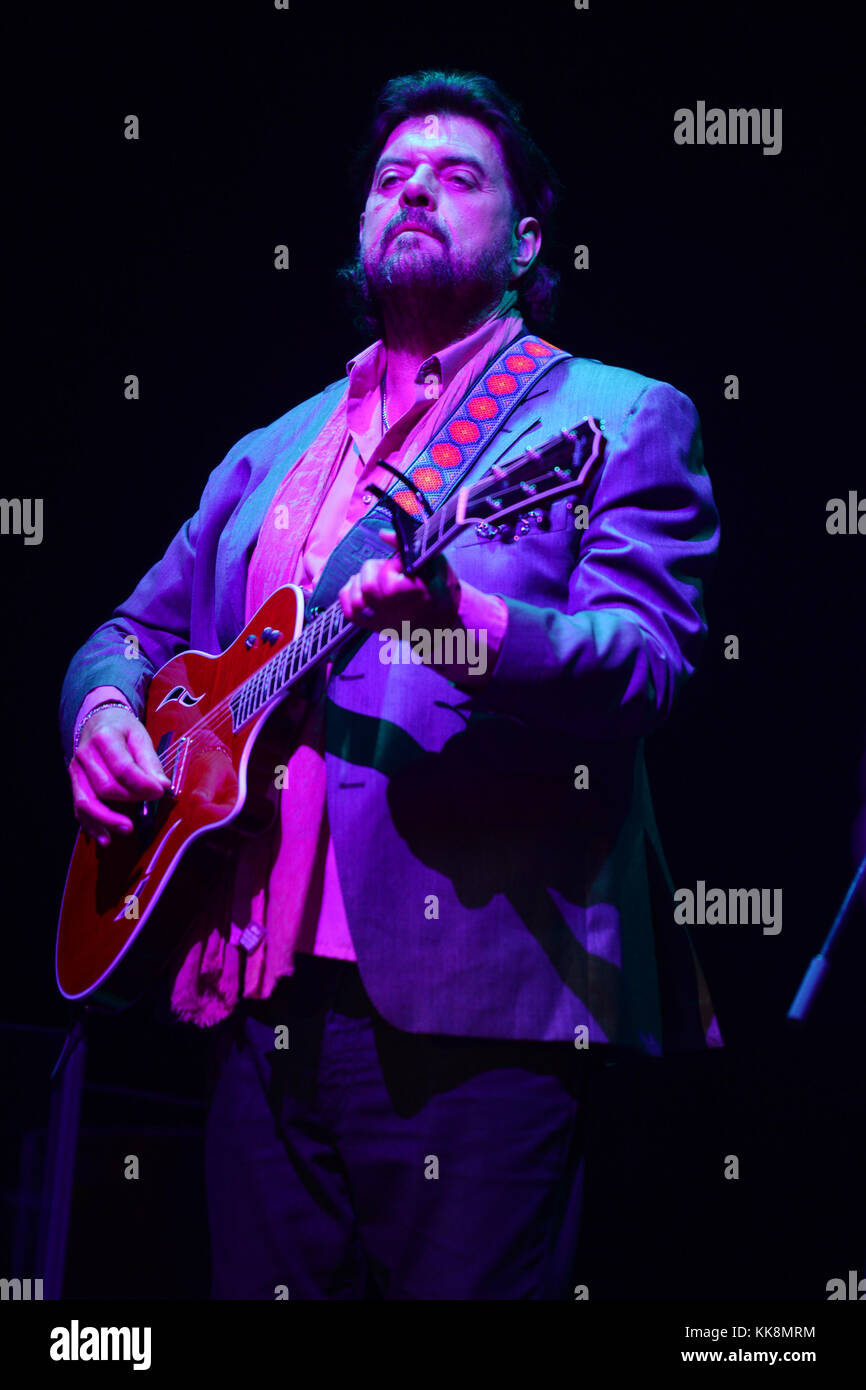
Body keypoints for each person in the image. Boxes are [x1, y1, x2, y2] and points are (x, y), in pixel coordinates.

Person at [59, 69, 723, 1300]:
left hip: (475, 1007)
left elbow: (644, 666)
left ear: (528, 242)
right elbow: (127, 631)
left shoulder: (611, 415)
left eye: (457, 175)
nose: (413, 186)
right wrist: (101, 710)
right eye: (389, 176)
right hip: (255, 1006)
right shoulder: (270, 447)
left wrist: (459, 623)